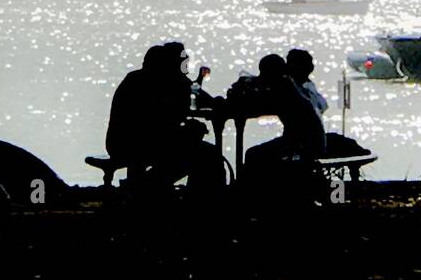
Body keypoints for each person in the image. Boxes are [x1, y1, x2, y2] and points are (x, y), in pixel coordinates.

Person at [106, 41, 225, 196]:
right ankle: (147, 187)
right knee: (205, 155)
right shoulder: (147, 81)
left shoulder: (162, 79)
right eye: (180, 61)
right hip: (130, 143)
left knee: (199, 152)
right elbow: (153, 126)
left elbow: (199, 99)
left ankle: (145, 186)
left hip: (141, 141)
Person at [244, 53, 326, 184]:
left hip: (302, 144)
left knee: (252, 155)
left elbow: (260, 104)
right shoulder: (289, 85)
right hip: (308, 141)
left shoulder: (283, 87)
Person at [286, 49, 370, 159]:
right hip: (301, 142)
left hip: (311, 141)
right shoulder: (293, 88)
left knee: (348, 143)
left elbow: (322, 106)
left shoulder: (306, 86)